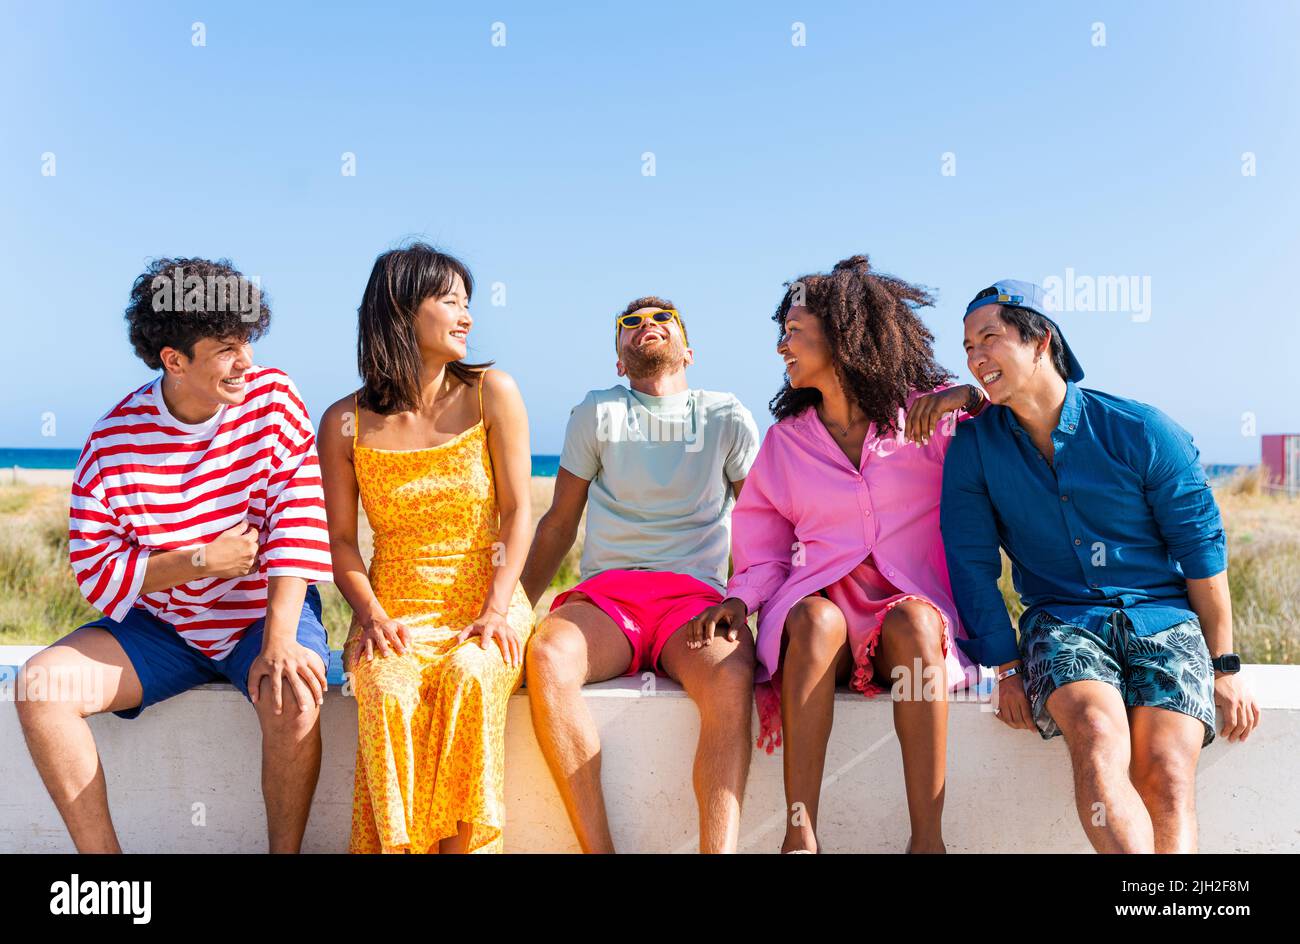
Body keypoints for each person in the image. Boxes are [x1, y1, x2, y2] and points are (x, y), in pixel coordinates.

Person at [17, 257, 333, 853]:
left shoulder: (276, 400)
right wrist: (199, 561)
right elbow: (98, 573)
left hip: (263, 617)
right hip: (163, 630)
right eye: (226, 349)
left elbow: (297, 522)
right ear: (174, 360)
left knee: (294, 692)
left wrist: (282, 638)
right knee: (41, 687)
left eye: (247, 342)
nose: (246, 363)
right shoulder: (112, 440)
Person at [941, 279, 1262, 853]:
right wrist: (1007, 665)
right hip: (1061, 623)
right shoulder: (973, 447)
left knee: (1165, 772)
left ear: (1041, 342)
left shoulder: (1142, 431)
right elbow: (970, 562)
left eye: (989, 339)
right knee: (1093, 735)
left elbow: (1202, 553)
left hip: (1163, 621)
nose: (975, 357)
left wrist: (1225, 667)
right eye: (967, 347)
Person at [691, 255, 984, 854]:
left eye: (794, 333)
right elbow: (764, 553)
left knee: (916, 623)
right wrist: (738, 599)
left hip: (908, 609)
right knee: (816, 619)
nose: (782, 347)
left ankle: (927, 842)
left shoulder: (927, 417)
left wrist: (971, 396)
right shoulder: (785, 442)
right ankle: (801, 836)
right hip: (819, 613)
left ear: (843, 336)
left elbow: (1018, 417)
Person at [521, 296, 761, 853]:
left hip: (695, 603)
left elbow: (761, 527)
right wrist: (514, 609)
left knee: (730, 675)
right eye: (629, 323)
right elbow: (558, 524)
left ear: (688, 351)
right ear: (619, 360)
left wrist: (753, 606)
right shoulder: (598, 411)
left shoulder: (725, 414)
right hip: (609, 599)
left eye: (661, 319)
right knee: (547, 656)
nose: (645, 326)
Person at [319, 243, 534, 854]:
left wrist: (495, 611)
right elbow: (340, 542)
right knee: (385, 691)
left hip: (484, 600)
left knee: (470, 675)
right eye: (450, 302)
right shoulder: (343, 422)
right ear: (401, 310)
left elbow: (520, 514)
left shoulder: (493, 391)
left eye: (469, 304)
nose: (467, 317)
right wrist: (371, 615)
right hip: (393, 612)